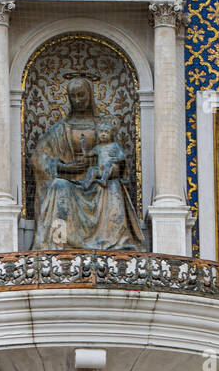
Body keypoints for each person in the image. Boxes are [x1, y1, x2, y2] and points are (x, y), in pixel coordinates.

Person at [31, 76, 146, 252]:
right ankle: (59, 242)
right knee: (58, 186)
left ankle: (114, 241)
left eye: (81, 95)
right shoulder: (60, 129)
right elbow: (38, 158)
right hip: (70, 182)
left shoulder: (104, 126)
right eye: (73, 96)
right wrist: (63, 168)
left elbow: (117, 156)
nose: (77, 100)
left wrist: (112, 169)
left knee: (113, 187)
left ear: (90, 95)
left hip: (99, 180)